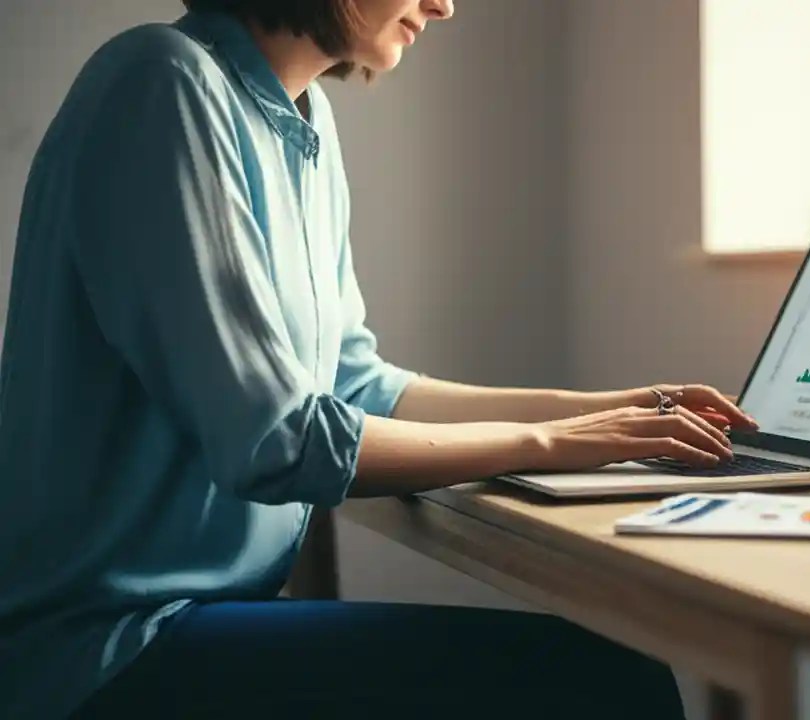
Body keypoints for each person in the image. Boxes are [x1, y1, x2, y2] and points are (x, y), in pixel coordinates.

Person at [0, 1, 758, 717]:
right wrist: (551, 444)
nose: (444, 6)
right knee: (608, 684)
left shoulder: (306, 124)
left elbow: (356, 384)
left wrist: (611, 410)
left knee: (604, 675)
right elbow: (280, 440)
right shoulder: (161, 83)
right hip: (102, 653)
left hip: (197, 620)